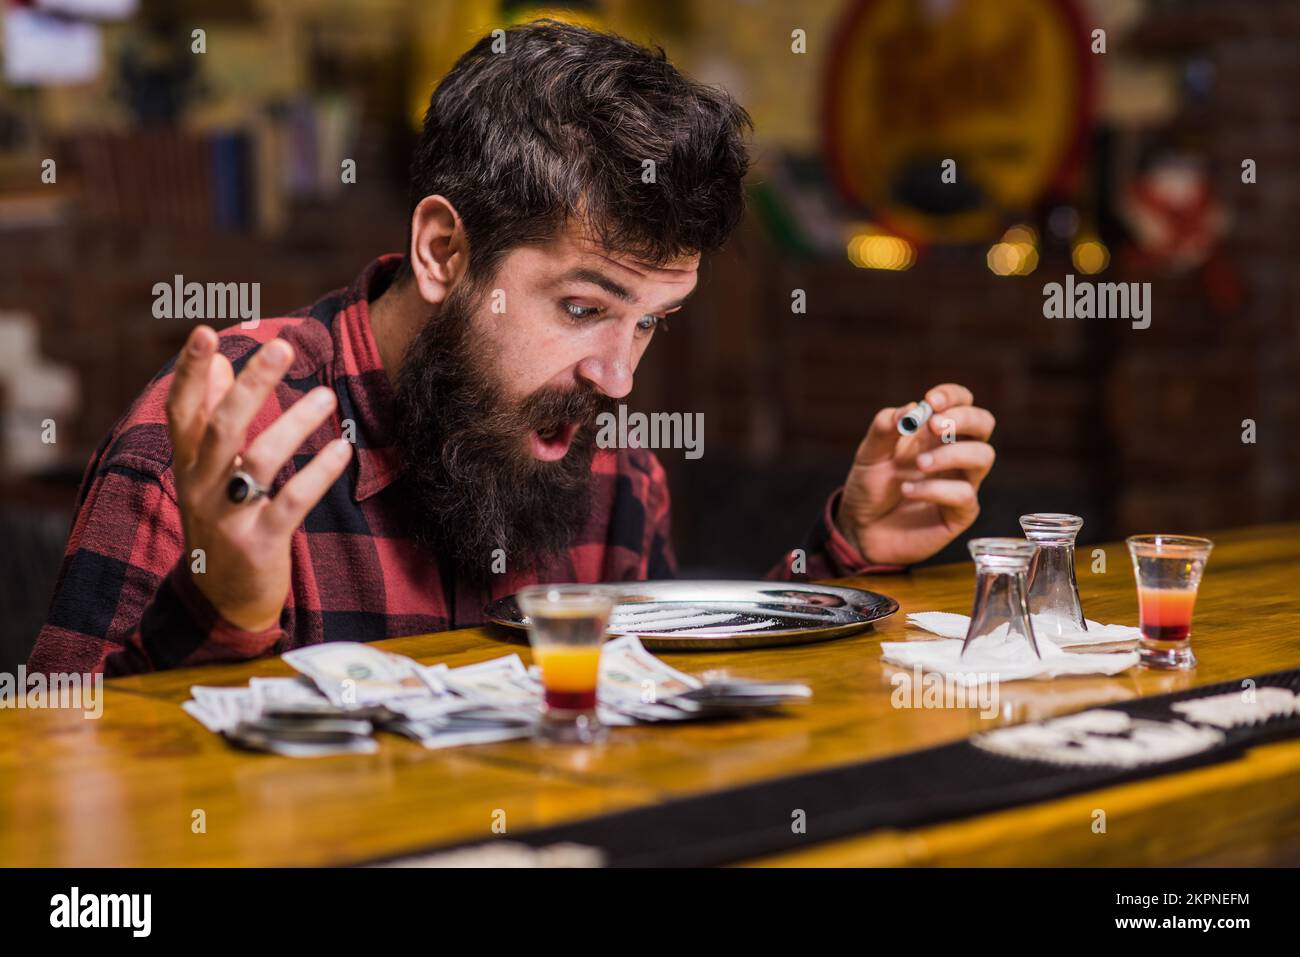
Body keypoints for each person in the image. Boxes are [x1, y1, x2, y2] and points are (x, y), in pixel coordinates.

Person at [30, 21, 995, 676]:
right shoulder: (207, 447)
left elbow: (654, 705)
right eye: (583, 308)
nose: (616, 379)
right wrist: (227, 608)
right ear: (445, 251)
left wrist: (853, 556)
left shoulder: (607, 463)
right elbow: (67, 811)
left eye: (652, 321)